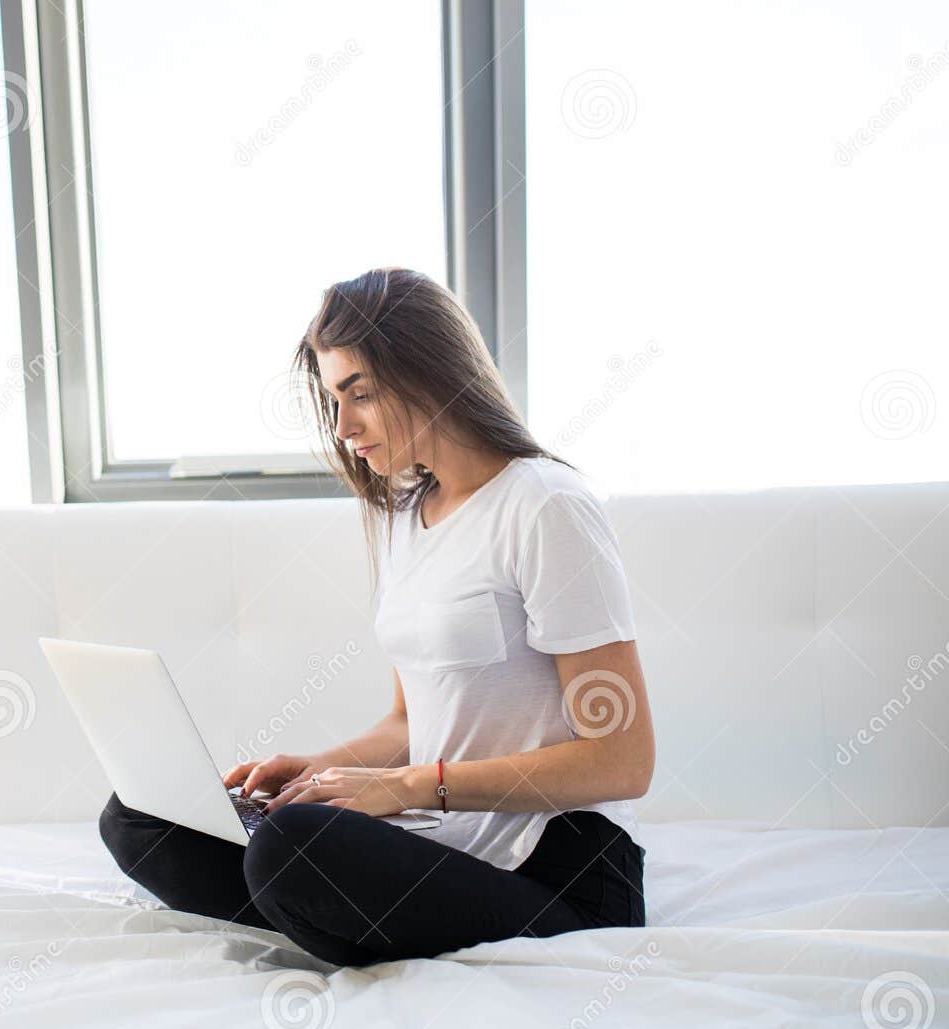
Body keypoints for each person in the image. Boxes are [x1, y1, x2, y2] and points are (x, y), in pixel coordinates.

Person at [98, 267, 654, 967]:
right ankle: (316, 902)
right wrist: (318, 772)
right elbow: (406, 723)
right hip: (445, 841)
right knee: (142, 815)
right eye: (334, 399)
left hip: (559, 870)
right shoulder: (402, 516)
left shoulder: (545, 505)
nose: (343, 426)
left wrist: (409, 787)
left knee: (289, 849)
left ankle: (311, 899)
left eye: (358, 393)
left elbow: (624, 759)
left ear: (429, 369)